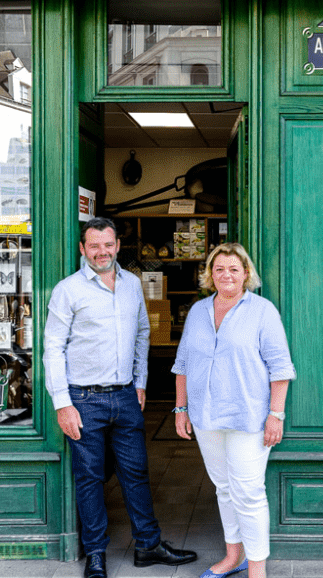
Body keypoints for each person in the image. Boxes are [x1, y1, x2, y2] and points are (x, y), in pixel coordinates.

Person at [45, 218, 198, 578]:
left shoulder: (131, 284)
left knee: (136, 473)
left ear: (117, 246)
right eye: (94, 246)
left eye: (108, 245)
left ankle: (148, 545)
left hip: (126, 395)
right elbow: (52, 348)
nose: (102, 252)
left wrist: (141, 382)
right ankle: (95, 553)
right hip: (83, 399)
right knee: (89, 477)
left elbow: (142, 332)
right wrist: (62, 403)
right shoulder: (67, 290)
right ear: (83, 249)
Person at [173, 243, 295, 578]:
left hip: (248, 417)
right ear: (210, 275)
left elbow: (280, 368)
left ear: (246, 274)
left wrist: (276, 414)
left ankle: (258, 570)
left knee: (249, 492)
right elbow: (183, 363)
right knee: (224, 488)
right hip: (206, 417)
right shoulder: (198, 311)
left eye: (234, 269)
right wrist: (180, 408)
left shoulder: (262, 310)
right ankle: (233, 557)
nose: (226, 275)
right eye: (219, 269)